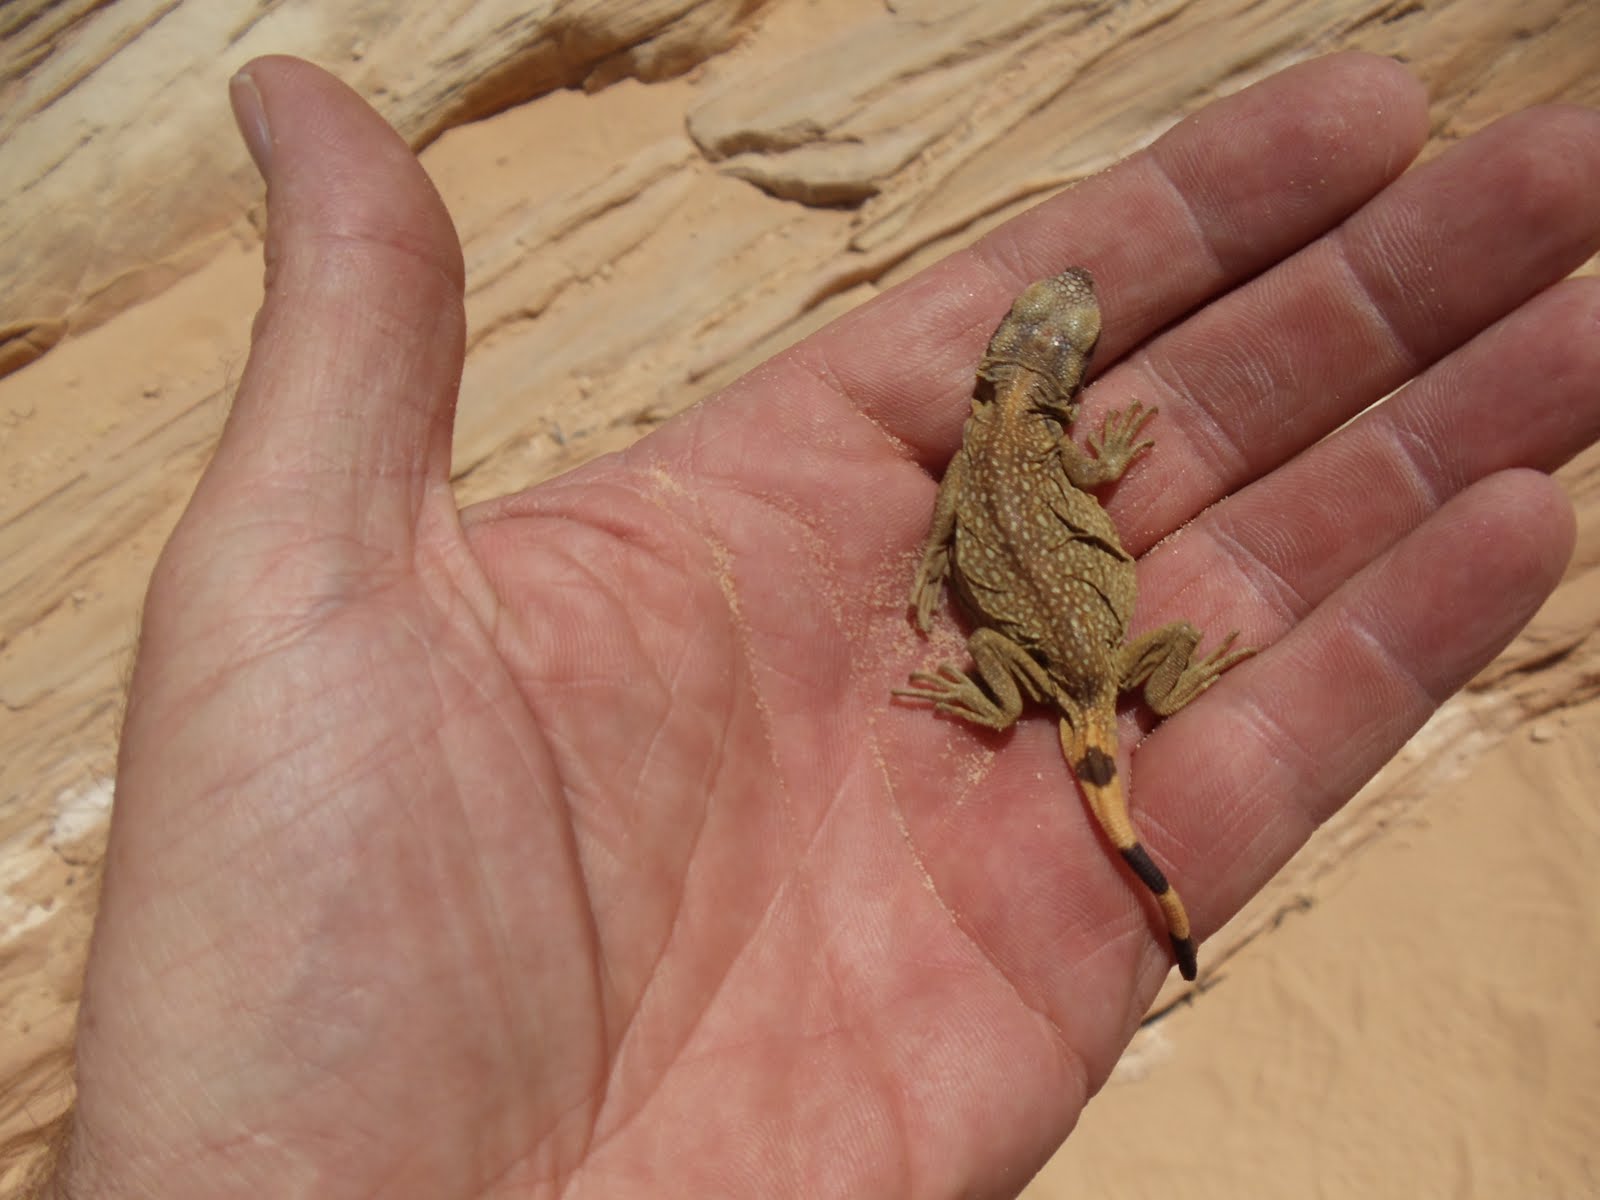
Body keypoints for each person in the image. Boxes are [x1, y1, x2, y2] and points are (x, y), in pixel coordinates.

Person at [23, 51, 1600, 1198]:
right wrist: (1059, 597)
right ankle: (1146, 852)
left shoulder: (996, 462)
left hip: (1051, 665)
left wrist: (978, 653)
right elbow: (1044, 506)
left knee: (1098, 712)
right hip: (1097, 665)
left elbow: (942, 563)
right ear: (1041, 379)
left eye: (1068, 330)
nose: (1072, 330)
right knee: (1137, 701)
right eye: (1065, 331)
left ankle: (1130, 844)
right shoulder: (1060, 455)